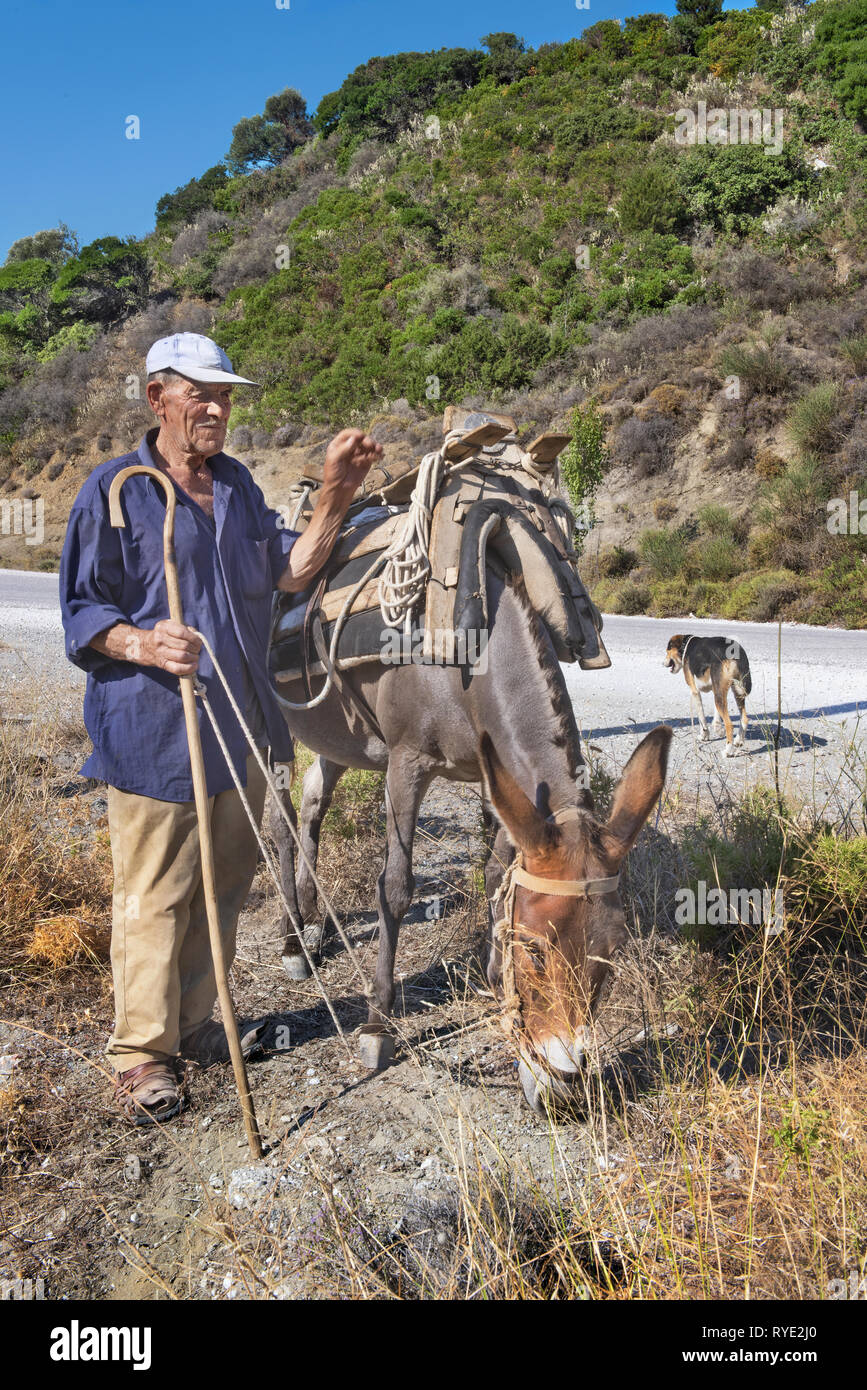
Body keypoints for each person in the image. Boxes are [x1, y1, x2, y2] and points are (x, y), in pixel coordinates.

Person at [59, 331, 382, 1124]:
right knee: (155, 896)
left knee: (224, 889)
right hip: (154, 729)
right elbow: (81, 609)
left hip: (243, 727)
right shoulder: (114, 490)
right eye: (199, 394)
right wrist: (140, 640)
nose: (216, 409)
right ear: (156, 399)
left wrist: (337, 491)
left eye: (225, 396)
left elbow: (288, 570)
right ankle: (140, 1055)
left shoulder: (235, 485)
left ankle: (200, 1027)